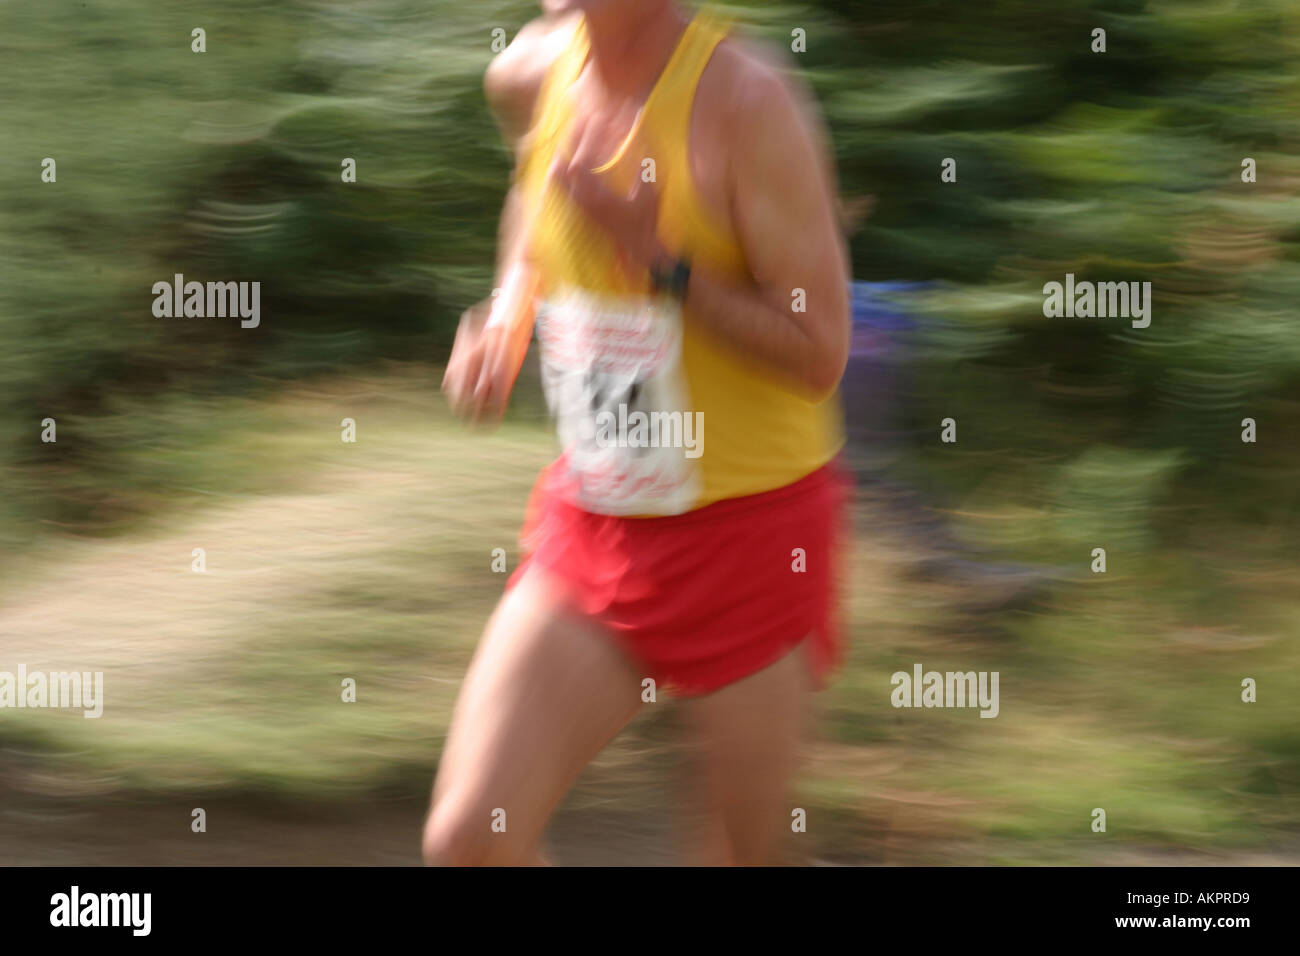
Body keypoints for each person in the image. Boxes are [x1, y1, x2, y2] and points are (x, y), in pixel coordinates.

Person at [428, 0, 851, 866]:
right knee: (470, 839)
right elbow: (532, 193)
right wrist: (507, 316)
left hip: (751, 540)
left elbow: (820, 349)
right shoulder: (530, 71)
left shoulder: (748, 101)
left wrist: (658, 262)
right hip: (600, 523)